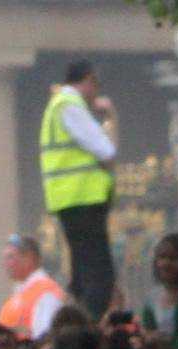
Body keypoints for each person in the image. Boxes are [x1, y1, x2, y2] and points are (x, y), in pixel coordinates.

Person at [39, 59, 118, 317]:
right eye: (96, 84)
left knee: (82, 272)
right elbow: (107, 152)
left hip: (69, 199)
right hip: (84, 197)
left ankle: (79, 315)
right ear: (89, 79)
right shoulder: (70, 105)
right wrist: (110, 119)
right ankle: (89, 323)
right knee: (100, 275)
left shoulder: (58, 105)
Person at [0, 233, 70, 343]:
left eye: (10, 257)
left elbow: (44, 341)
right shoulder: (19, 295)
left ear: (29, 258)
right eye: (5, 258)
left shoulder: (47, 294)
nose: (5, 264)